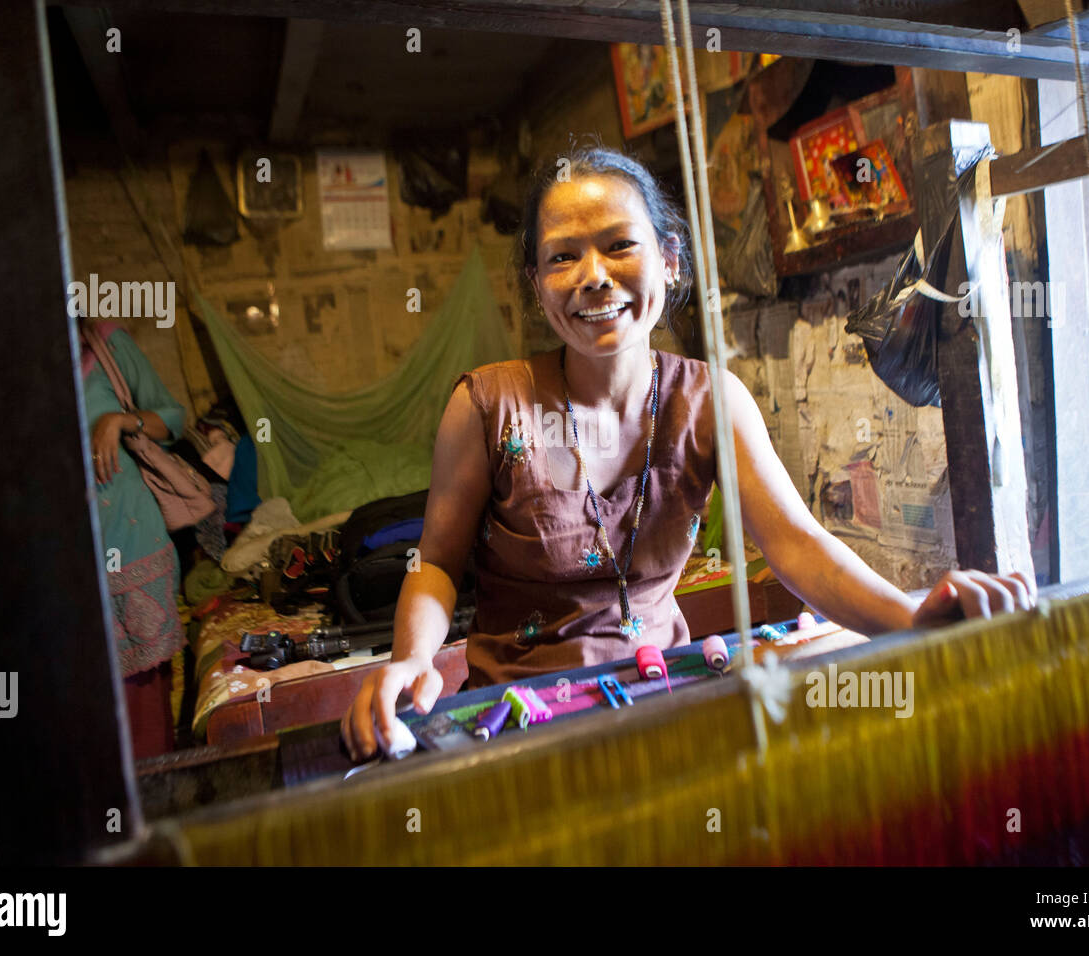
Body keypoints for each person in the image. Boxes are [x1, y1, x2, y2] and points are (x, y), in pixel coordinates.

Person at [342, 144, 1035, 759]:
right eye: (562, 256)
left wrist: (911, 619)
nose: (593, 276)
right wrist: (410, 661)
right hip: (516, 724)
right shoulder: (489, 406)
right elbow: (435, 563)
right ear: (535, 284)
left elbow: (794, 542)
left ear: (669, 261)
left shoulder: (710, 402)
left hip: (663, 701)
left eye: (619, 246)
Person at [80, 318, 187, 760]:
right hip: (63, 556)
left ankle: (155, 813)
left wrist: (119, 420)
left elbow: (171, 417)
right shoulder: (10, 369)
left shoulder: (105, 345)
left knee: (144, 704)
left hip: (131, 542)